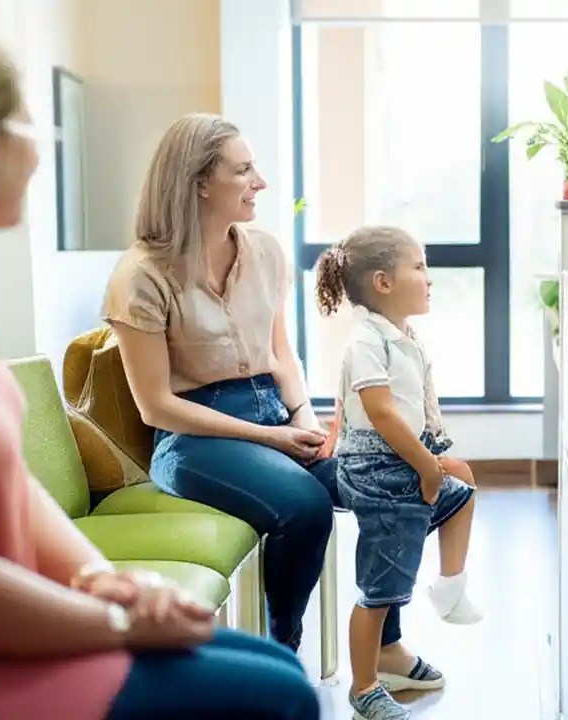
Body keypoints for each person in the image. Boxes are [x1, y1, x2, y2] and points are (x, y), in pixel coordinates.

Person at [0, 15, 317, 719]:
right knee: (281, 696)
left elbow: (13, 487)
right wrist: (117, 622)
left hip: (21, 626)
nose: (41, 155)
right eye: (30, 129)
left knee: (279, 669)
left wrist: (105, 581)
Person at [102, 113, 436, 686]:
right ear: (199, 182)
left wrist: (304, 417)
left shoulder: (265, 253)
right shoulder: (140, 275)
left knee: (389, 480)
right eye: (244, 170)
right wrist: (270, 436)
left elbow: (281, 354)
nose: (260, 182)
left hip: (277, 416)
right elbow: (155, 405)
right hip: (194, 439)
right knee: (305, 505)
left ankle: (385, 645)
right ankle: (282, 656)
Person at [315, 227, 481, 720]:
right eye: (420, 267)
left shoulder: (401, 335)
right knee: (379, 591)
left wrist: (433, 459)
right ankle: (364, 688)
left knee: (462, 486)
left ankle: (450, 587)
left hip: (396, 457)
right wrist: (427, 466)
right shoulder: (367, 339)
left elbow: (353, 406)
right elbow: (381, 412)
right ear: (383, 282)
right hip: (378, 470)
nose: (429, 279)